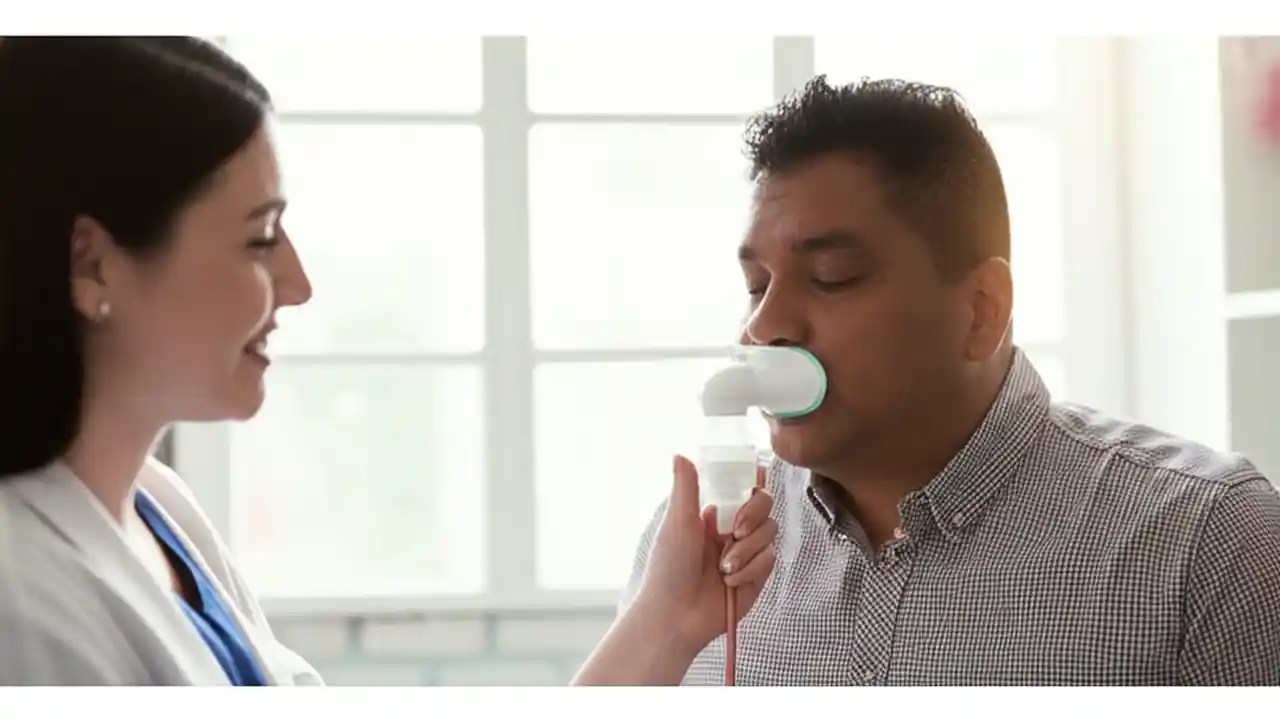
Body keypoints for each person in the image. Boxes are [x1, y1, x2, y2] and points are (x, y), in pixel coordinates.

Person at [0, 36, 777, 686]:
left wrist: (668, 623)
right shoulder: (22, 600)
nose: (298, 285)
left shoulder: (158, 509)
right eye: (259, 238)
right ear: (93, 265)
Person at [620, 75, 1280, 686]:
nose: (762, 329)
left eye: (833, 277)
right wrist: (658, 632)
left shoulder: (1209, 541)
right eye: (756, 287)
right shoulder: (690, 559)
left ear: (981, 309)